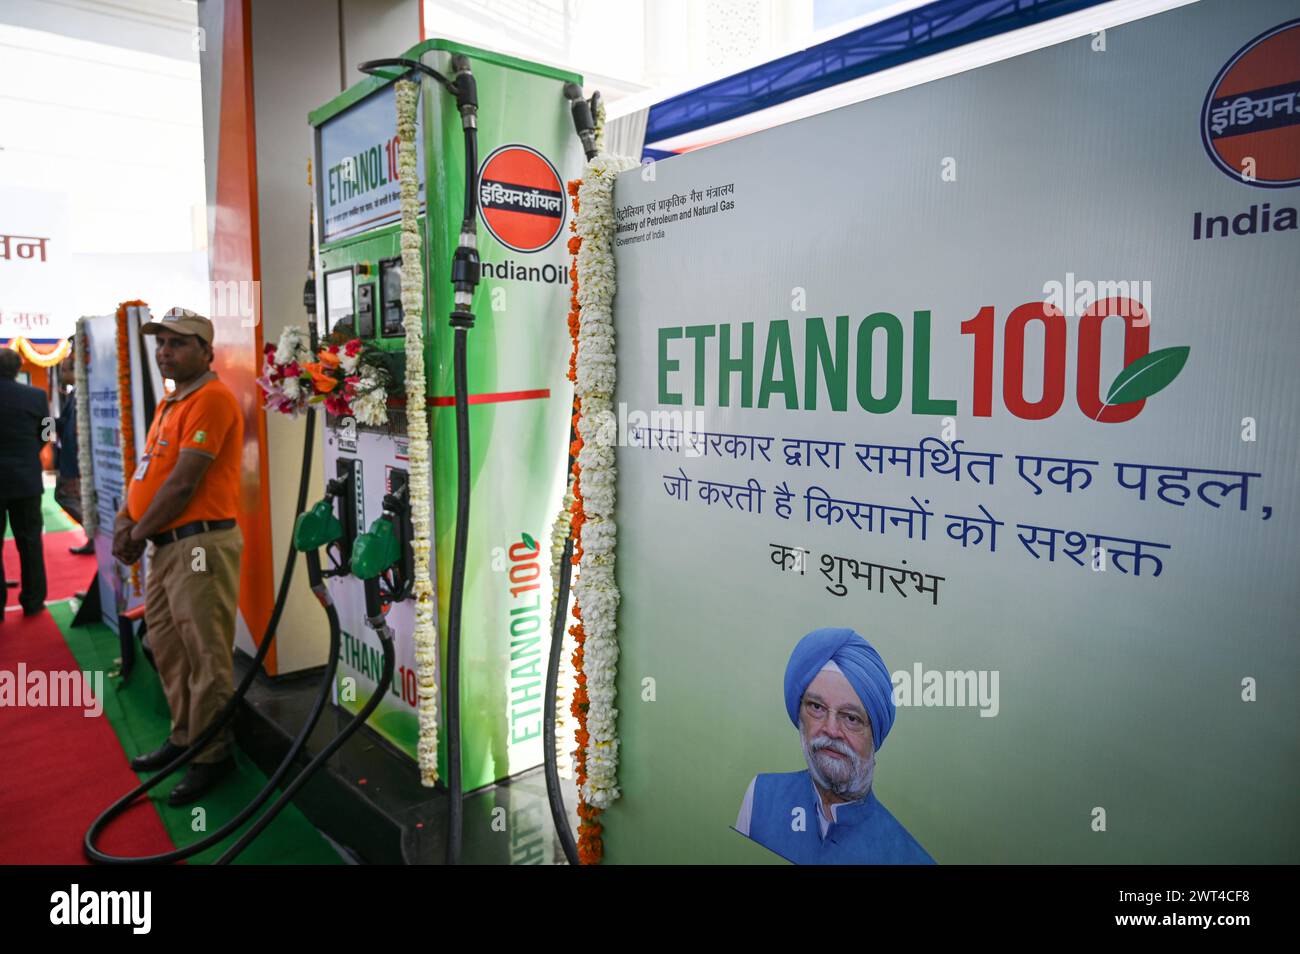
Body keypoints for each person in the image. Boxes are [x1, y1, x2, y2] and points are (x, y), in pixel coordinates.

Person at [112, 308, 244, 806]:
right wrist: (128, 518)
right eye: (161, 342)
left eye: (179, 343)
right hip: (165, 546)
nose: (165, 351)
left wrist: (136, 531)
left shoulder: (210, 399)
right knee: (169, 648)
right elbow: (151, 472)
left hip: (198, 547)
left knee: (205, 654)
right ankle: (186, 737)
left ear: (206, 352)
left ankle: (214, 757)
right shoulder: (173, 402)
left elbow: (184, 482)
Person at [735, 627, 934, 864]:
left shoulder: (907, 858)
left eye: (851, 718)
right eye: (816, 707)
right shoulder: (762, 796)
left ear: (874, 734)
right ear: (800, 716)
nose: (830, 729)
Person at [0, 347, 49, 620]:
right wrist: (31, 449)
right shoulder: (36, 396)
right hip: (26, 479)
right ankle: (33, 601)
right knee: (30, 543)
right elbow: (48, 430)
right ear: (18, 369)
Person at [53, 345, 95, 554]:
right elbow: (64, 423)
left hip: (77, 461)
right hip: (72, 459)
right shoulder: (74, 394)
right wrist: (45, 423)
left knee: (65, 496)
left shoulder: (82, 394)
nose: (62, 374)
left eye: (64, 370)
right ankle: (92, 537)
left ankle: (94, 533)